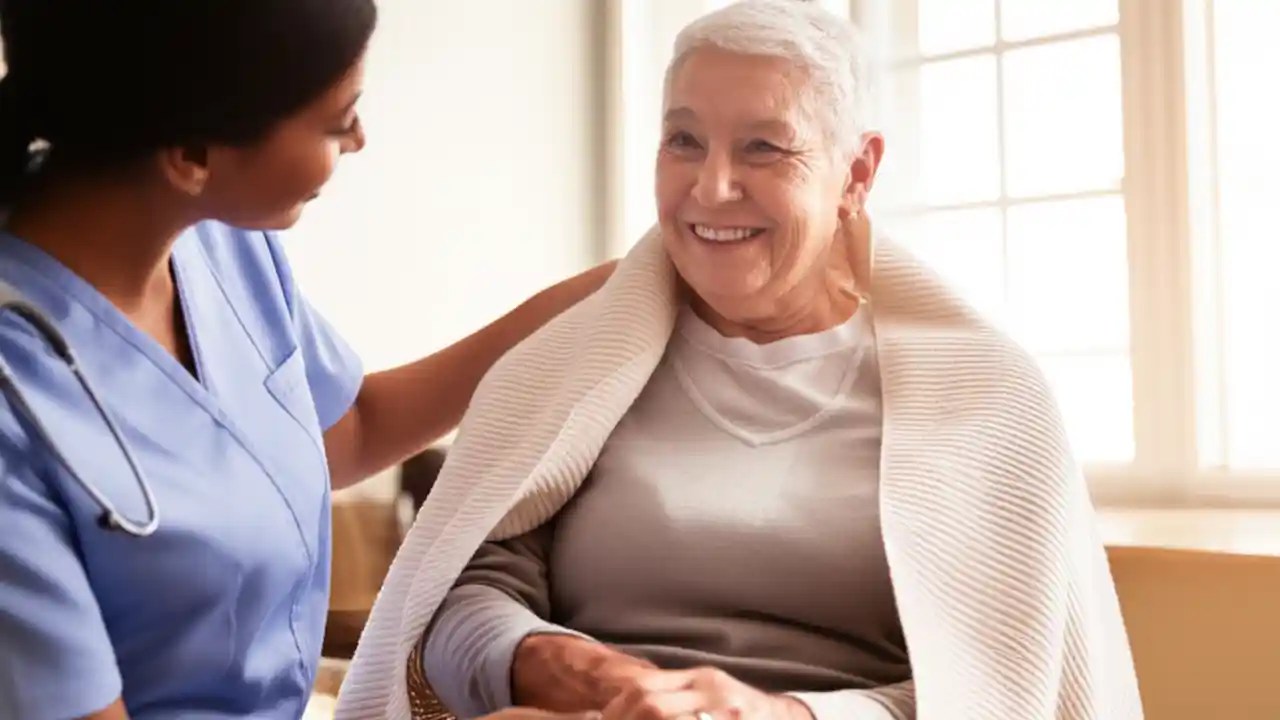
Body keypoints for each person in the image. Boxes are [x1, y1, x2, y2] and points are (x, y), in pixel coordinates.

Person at [336, 1, 1145, 719]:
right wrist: (568, 668)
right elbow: (456, 595)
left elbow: (1004, 689)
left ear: (856, 173)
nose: (712, 187)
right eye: (683, 140)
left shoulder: (983, 396)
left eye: (764, 148)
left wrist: (781, 714)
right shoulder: (578, 354)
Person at [0, 2, 611, 719]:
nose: (358, 139)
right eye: (335, 119)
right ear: (192, 155)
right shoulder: (18, 405)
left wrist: (619, 289)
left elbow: (346, 429)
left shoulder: (219, 243)